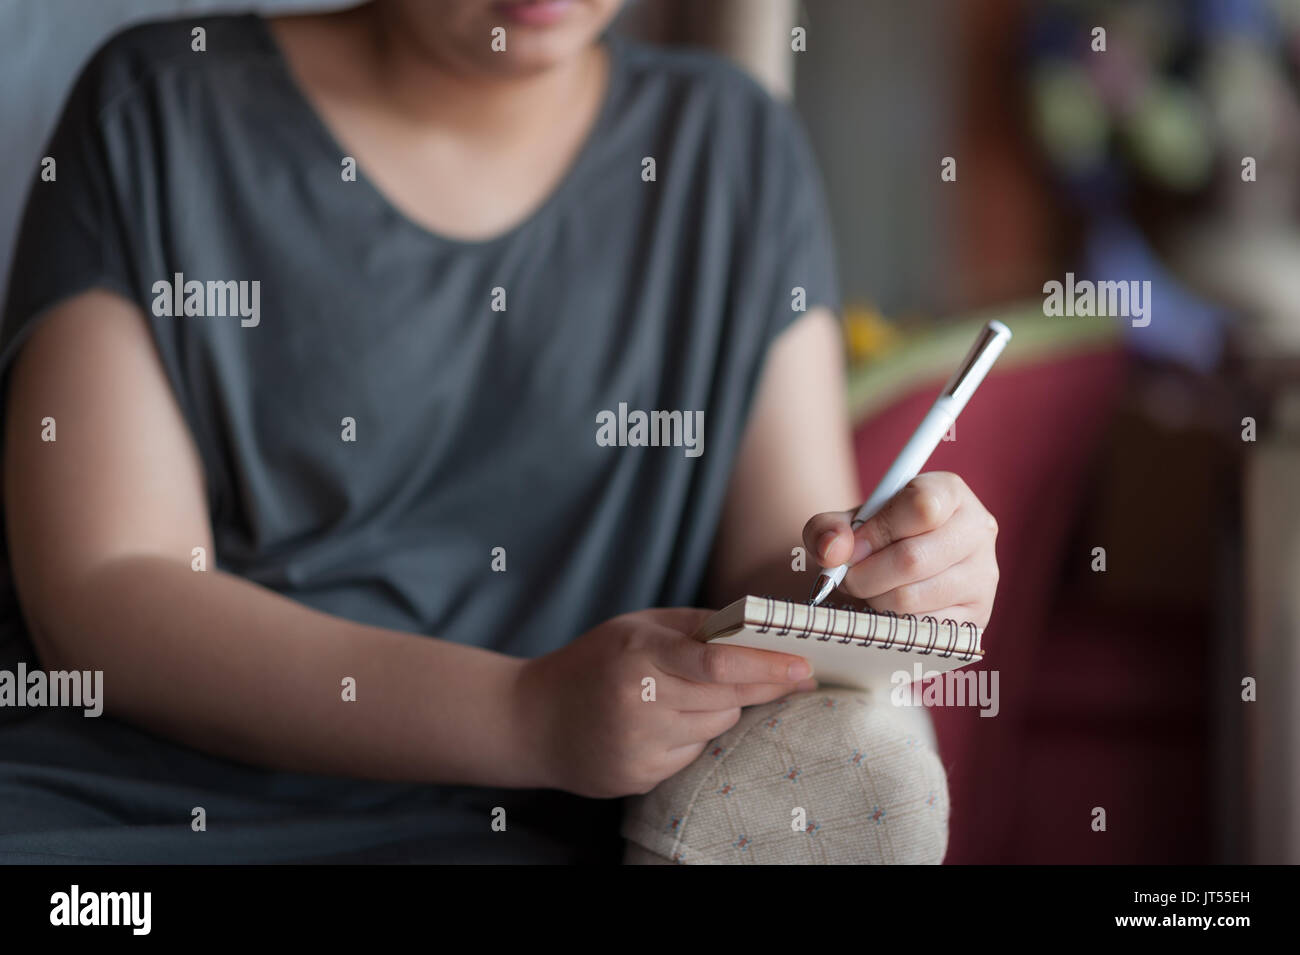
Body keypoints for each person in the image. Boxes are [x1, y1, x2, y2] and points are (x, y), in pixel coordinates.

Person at [0, 0, 998, 863]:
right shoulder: (159, 107)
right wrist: (523, 715)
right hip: (124, 810)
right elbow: (103, 592)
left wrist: (895, 573)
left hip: (518, 832)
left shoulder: (730, 147)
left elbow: (785, 560)